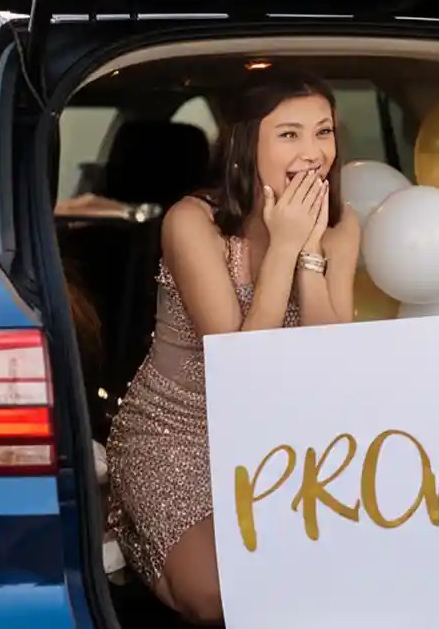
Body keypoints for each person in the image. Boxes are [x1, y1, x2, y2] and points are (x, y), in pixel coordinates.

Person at [106, 76, 361, 625]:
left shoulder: (343, 225)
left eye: (324, 132)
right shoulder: (191, 221)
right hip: (180, 435)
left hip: (288, 441)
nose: (313, 153)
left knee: (341, 575)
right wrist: (283, 248)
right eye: (289, 134)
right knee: (219, 595)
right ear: (248, 145)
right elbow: (240, 368)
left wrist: (311, 251)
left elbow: (333, 361)